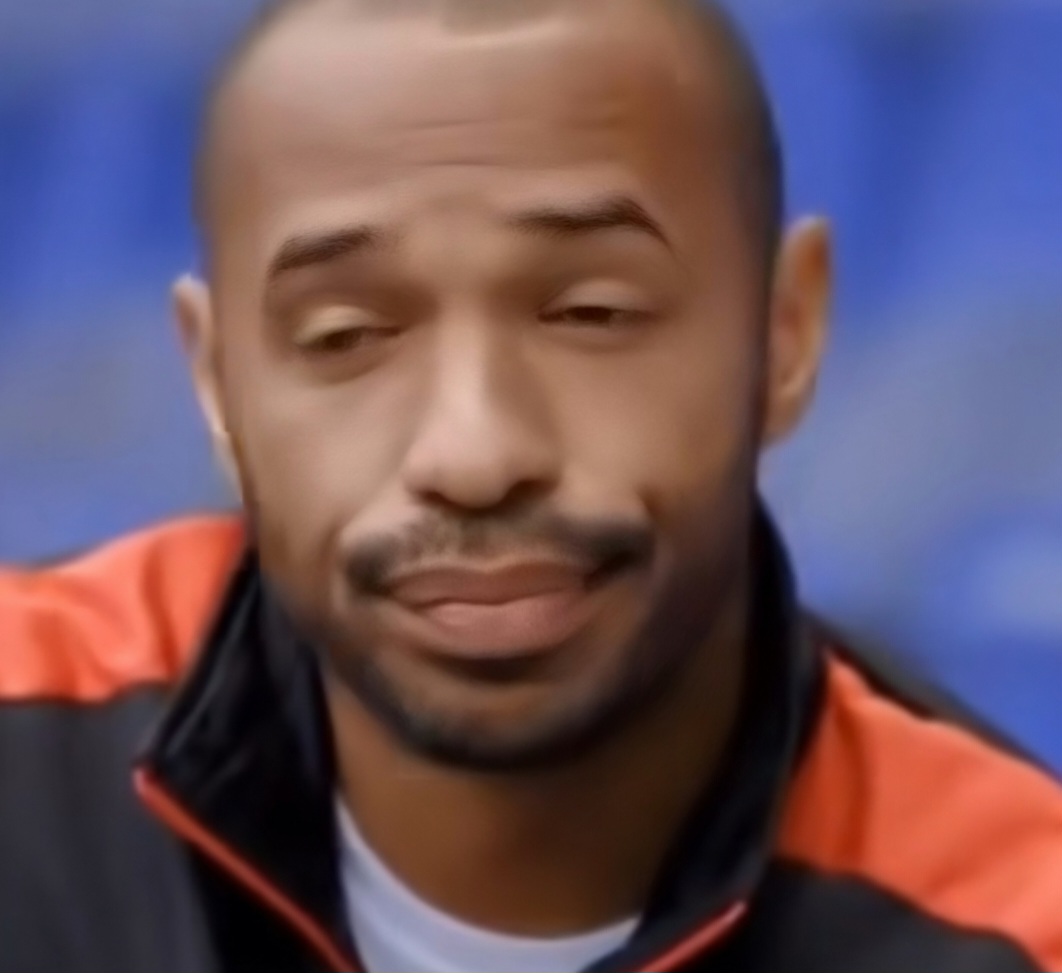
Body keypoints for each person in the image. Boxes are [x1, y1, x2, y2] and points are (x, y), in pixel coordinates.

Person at [2, 0, 1061, 970]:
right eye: (345, 334)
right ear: (218, 383)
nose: (473, 454)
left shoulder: (1014, 930)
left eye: (592, 315)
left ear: (785, 334)